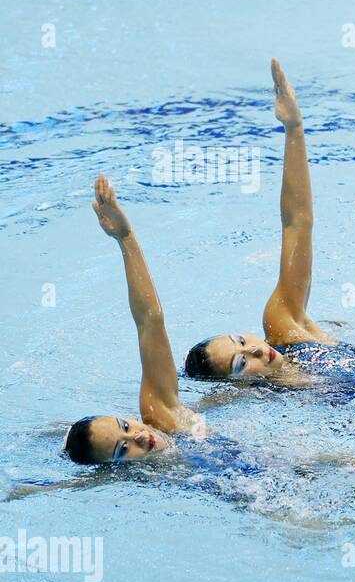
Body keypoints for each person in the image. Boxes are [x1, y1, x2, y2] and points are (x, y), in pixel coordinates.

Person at [182, 60, 355, 393]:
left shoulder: (285, 326)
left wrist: (293, 128)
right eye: (241, 362)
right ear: (237, 385)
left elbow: (297, 224)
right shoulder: (266, 398)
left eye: (240, 340)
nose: (256, 349)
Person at [62, 176, 245, 472]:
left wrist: (126, 238)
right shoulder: (144, 476)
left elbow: (150, 319)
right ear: (115, 468)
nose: (140, 436)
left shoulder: (165, 417)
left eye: (125, 426)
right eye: (123, 449)